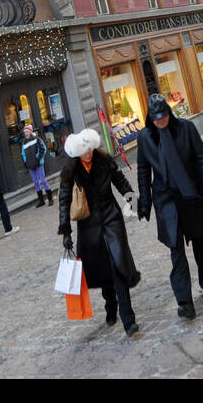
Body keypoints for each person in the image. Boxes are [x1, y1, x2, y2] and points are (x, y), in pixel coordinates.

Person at [136, 93, 203, 319]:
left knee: (200, 242)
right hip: (166, 200)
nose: (160, 121)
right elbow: (143, 170)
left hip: (190, 195)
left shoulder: (186, 128)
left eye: (163, 116)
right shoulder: (145, 138)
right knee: (176, 250)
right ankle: (184, 302)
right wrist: (144, 202)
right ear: (150, 118)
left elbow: (202, 159)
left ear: (169, 113)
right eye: (156, 118)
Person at [58, 128, 140, 335]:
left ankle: (128, 319)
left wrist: (135, 203)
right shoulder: (72, 171)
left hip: (111, 217)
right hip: (88, 224)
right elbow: (64, 200)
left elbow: (120, 181)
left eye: (90, 149)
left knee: (118, 264)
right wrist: (66, 231)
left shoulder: (104, 161)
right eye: (84, 151)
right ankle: (110, 306)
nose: (89, 153)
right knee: (103, 267)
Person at [19, 124, 53, 208]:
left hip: (38, 163)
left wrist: (37, 158)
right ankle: (41, 200)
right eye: (25, 132)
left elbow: (43, 149)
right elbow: (23, 153)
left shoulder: (37, 139)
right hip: (30, 164)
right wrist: (26, 162)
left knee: (43, 180)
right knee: (35, 182)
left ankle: (50, 198)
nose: (26, 133)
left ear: (30, 132)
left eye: (27, 132)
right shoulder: (24, 142)